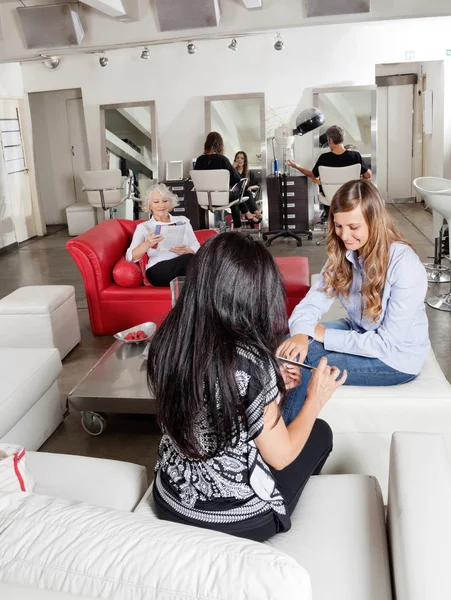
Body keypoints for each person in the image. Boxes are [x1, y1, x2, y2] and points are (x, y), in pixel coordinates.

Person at [148, 232, 346, 542]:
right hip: (234, 520)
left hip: (170, 497)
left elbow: (214, 403)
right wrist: (314, 399)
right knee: (319, 432)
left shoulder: (169, 339)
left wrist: (274, 389)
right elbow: (280, 457)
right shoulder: (251, 361)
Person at [278, 179, 430, 424]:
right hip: (360, 331)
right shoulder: (344, 254)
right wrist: (300, 333)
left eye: (353, 227)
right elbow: (311, 304)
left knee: (304, 361)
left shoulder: (405, 265)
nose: (344, 236)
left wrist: (324, 335)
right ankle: (269, 430)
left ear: (374, 222)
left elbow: (387, 344)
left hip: (395, 357)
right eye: (338, 226)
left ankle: (284, 444)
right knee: (289, 347)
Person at [125, 183, 199, 287]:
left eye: (165, 201)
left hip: (185, 266)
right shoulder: (143, 227)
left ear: (170, 203)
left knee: (192, 259)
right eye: (156, 202)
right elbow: (130, 257)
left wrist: (187, 250)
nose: (161, 205)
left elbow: (196, 245)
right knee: (190, 260)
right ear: (150, 206)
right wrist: (147, 243)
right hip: (158, 270)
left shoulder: (183, 221)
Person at [194, 132, 260, 231]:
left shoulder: (199, 160)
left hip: (205, 199)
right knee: (238, 192)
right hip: (222, 198)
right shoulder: (222, 160)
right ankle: (248, 214)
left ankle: (247, 215)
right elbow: (237, 180)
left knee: (235, 197)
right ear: (220, 145)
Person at [288, 125, 372, 184]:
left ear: (330, 140)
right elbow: (368, 175)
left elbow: (313, 175)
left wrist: (297, 166)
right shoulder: (355, 156)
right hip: (349, 197)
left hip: (330, 199)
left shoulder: (324, 158)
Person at [233, 150, 262, 219]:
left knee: (247, 191)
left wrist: (251, 187)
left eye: (242, 158)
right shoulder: (233, 171)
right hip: (235, 195)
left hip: (246, 195)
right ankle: (251, 214)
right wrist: (232, 168)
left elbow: (258, 185)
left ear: (244, 161)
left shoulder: (249, 173)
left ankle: (255, 213)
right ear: (235, 160)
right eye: (237, 158)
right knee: (239, 194)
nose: (239, 160)